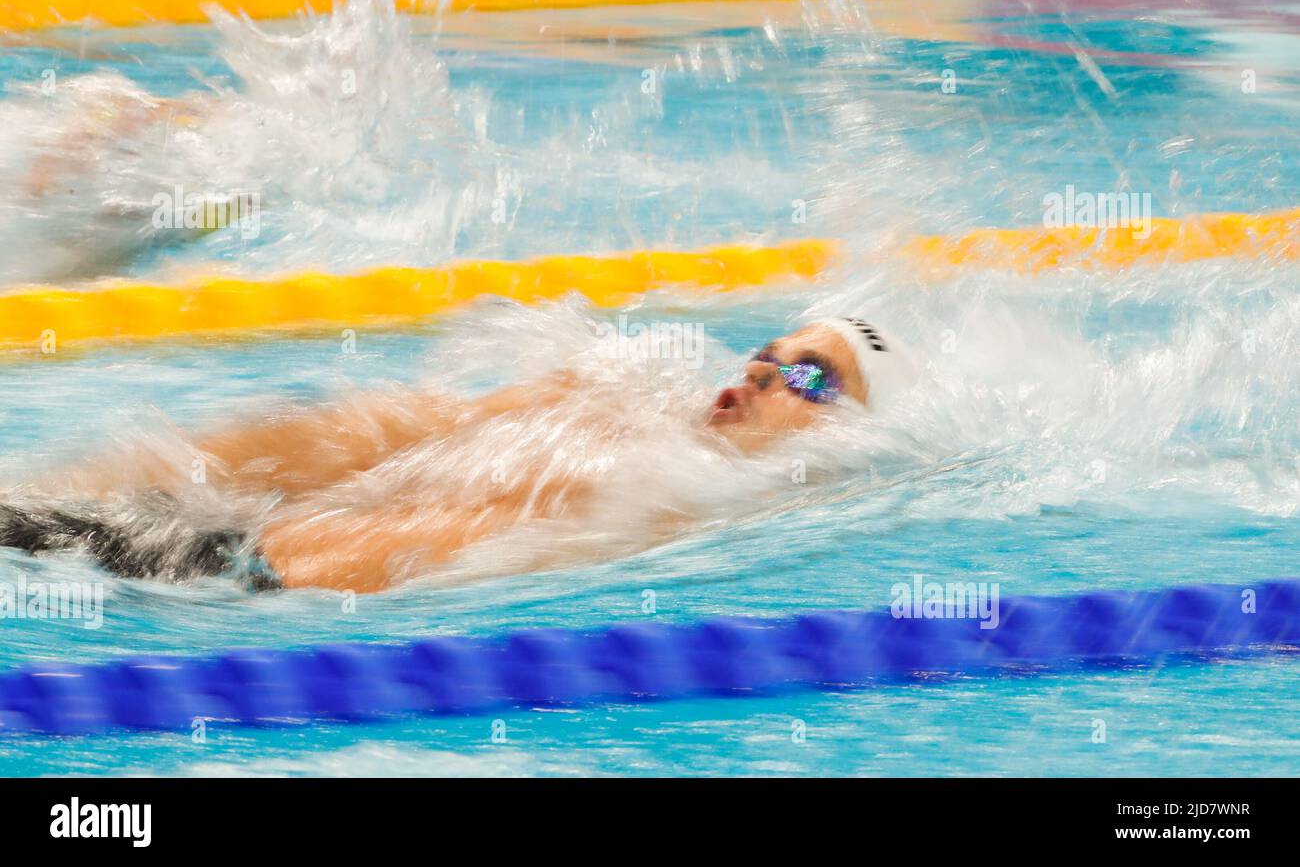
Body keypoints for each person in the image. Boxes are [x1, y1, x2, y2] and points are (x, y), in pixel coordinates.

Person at [0, 317, 914, 593]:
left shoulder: (708, 506)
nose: (759, 376)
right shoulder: (610, 409)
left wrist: (241, 567)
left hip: (232, 577)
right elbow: (364, 429)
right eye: (762, 356)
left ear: (852, 434)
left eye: (810, 380)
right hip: (207, 532)